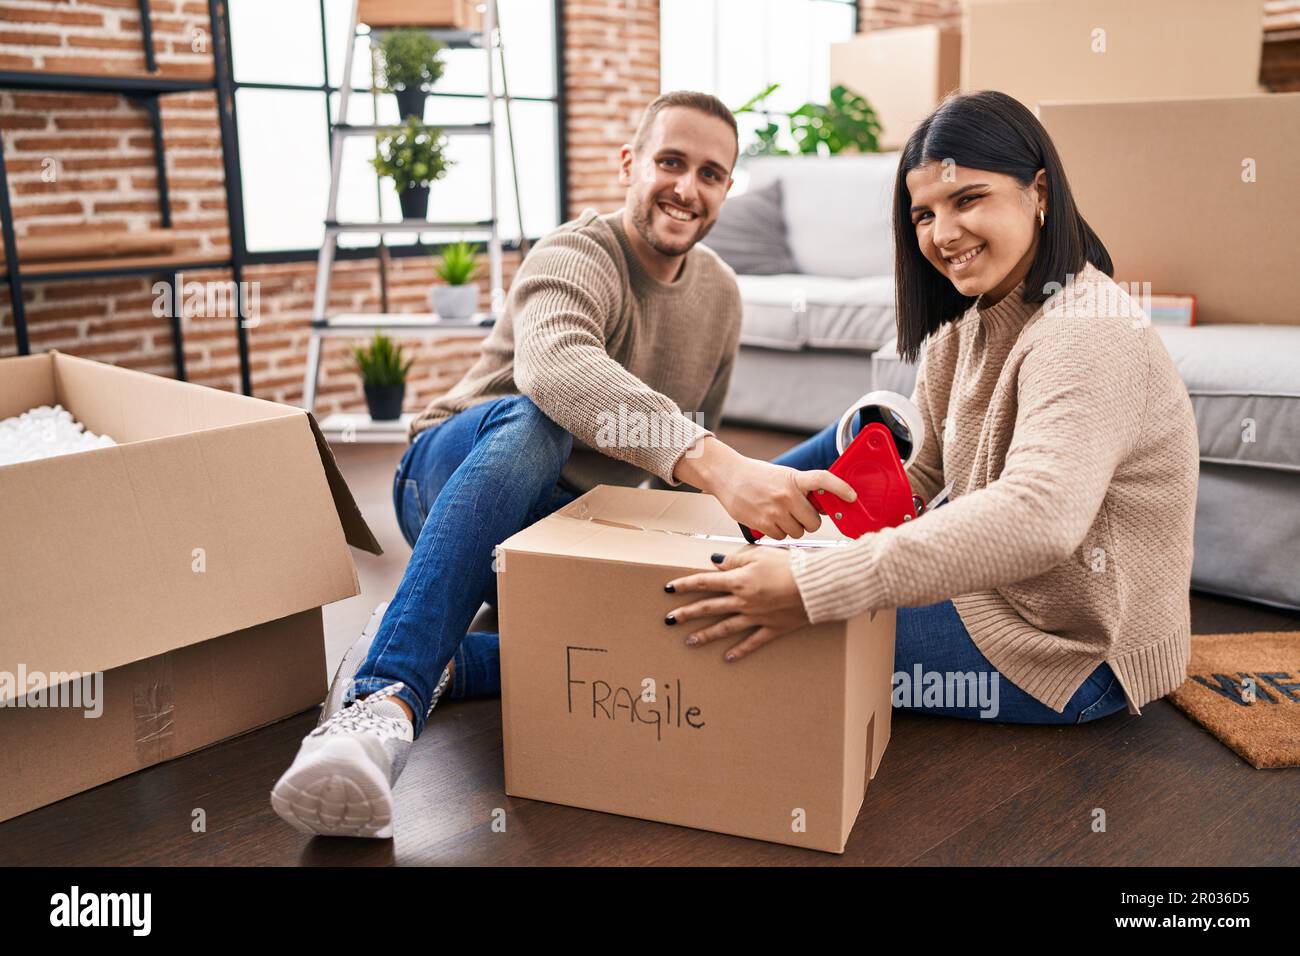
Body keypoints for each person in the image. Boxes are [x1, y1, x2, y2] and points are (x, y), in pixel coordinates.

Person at [269, 90, 854, 839]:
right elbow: (555, 369)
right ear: (628, 164)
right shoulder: (576, 252)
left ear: (726, 190)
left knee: (671, 627)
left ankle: (430, 642)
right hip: (459, 474)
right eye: (670, 162)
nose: (687, 187)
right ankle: (379, 705)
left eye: (711, 173)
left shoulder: (723, 296)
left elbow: (690, 439)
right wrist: (716, 465)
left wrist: (734, 497)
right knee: (543, 419)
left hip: (577, 518)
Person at [664, 90, 1201, 726]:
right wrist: (813, 533)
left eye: (968, 199)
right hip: (996, 601)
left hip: (1070, 653)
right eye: (923, 215)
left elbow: (1040, 519)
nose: (944, 234)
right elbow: (922, 477)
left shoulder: (1088, 329)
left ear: (1040, 192)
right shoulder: (965, 327)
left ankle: (518, 662)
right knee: (723, 594)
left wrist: (814, 585)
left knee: (724, 633)